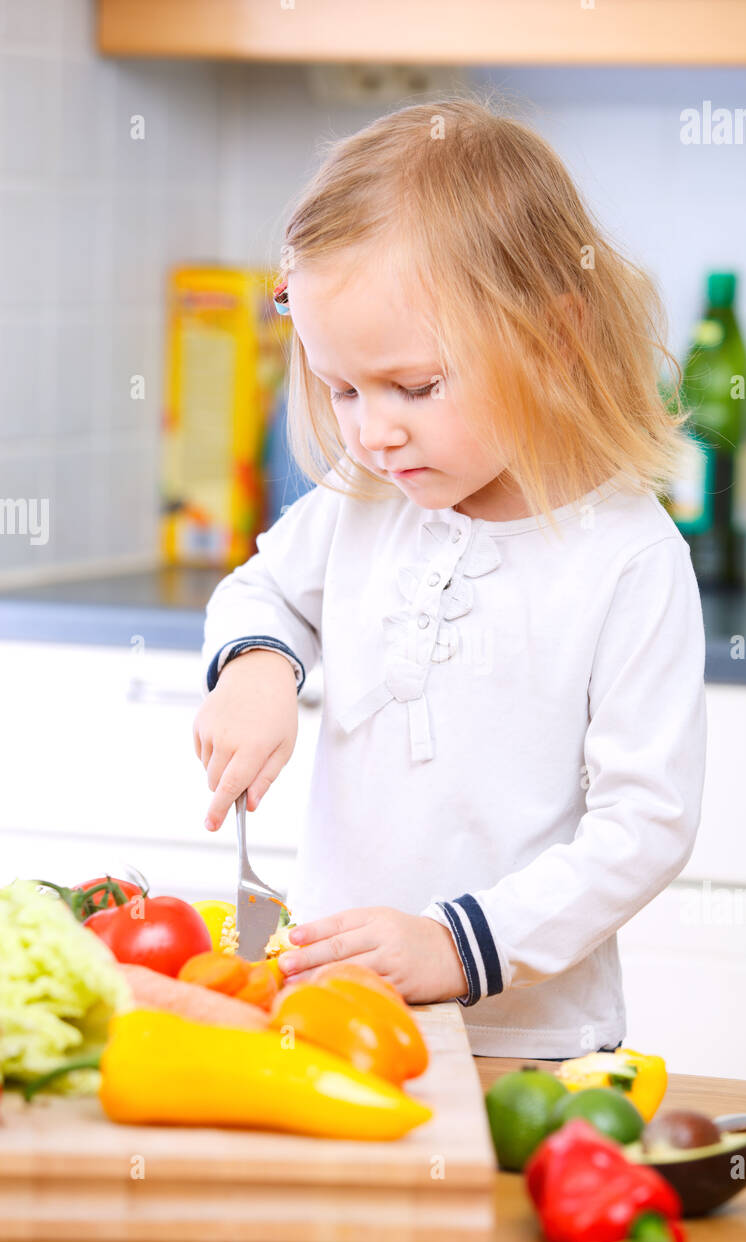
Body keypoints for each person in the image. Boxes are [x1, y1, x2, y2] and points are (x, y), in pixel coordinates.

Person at [192, 95, 707, 1060]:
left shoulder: (626, 560)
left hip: (530, 1040)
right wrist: (258, 667)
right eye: (342, 389)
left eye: (415, 388)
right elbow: (260, 591)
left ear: (552, 337)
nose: (372, 431)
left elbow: (647, 825)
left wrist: (456, 946)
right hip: (338, 1009)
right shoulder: (366, 502)